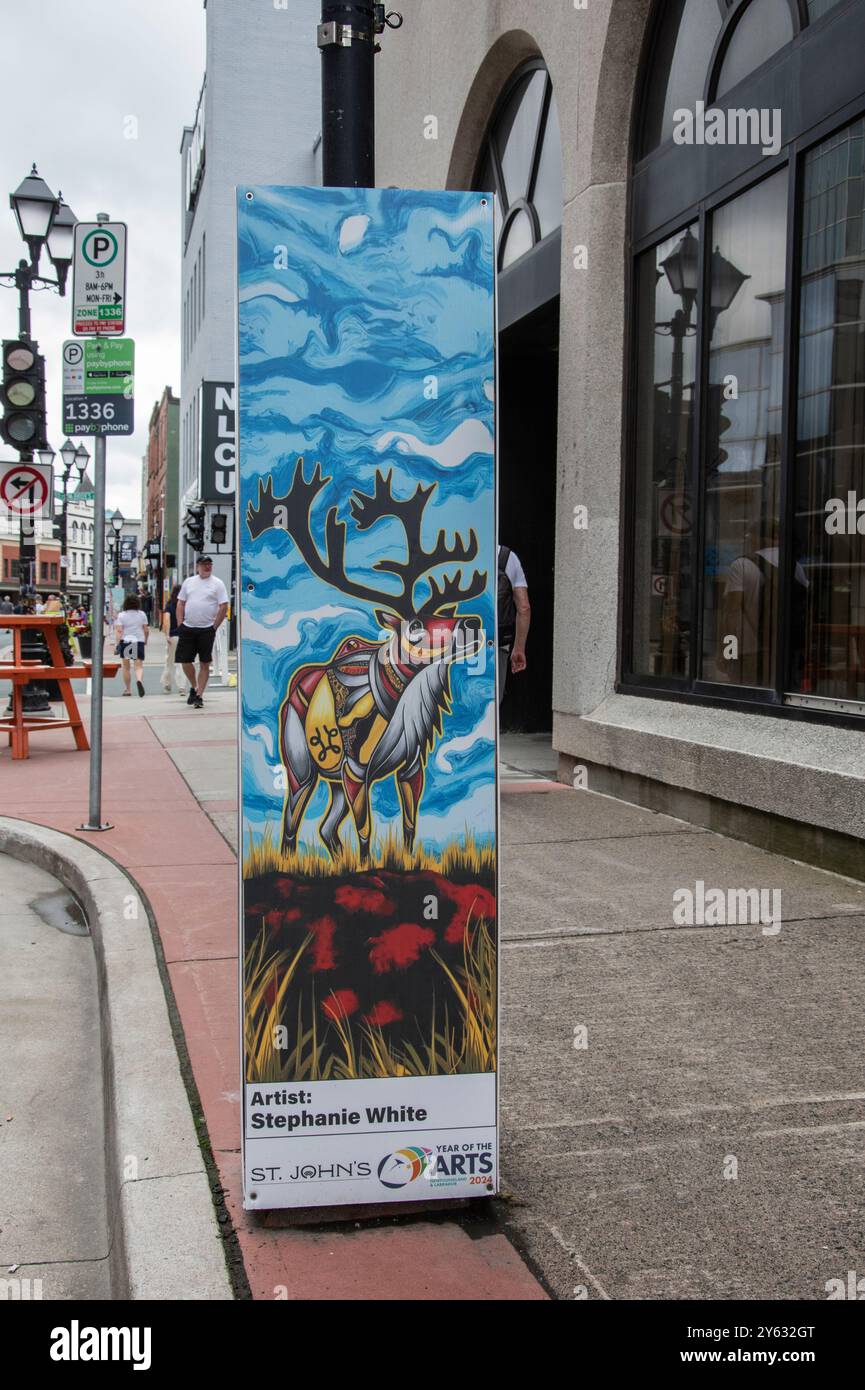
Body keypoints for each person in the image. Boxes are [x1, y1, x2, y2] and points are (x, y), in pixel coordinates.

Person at [175, 555, 228, 709]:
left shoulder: (217, 584)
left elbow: (223, 605)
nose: (207, 567)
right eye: (204, 564)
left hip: (207, 629)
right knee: (185, 661)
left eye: (209, 564)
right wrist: (180, 623)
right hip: (188, 627)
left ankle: (199, 695)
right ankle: (193, 685)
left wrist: (215, 626)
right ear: (198, 566)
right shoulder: (189, 582)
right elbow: (181, 603)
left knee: (205, 662)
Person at [497, 544, 531, 704]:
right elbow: (524, 608)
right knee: (493, 700)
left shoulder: (451, 552)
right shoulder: (506, 557)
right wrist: (518, 648)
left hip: (459, 641)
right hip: (496, 642)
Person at [115, 593, 149, 697]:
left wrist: (118, 644)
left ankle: (128, 689)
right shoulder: (142, 614)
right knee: (138, 666)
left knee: (126, 667)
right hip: (138, 641)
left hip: (126, 641)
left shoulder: (122, 615)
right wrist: (145, 640)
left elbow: (119, 631)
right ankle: (139, 680)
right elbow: (146, 630)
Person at [160, 582, 186, 695]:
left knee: (169, 662)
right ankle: (182, 687)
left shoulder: (169, 606)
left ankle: (167, 685)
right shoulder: (185, 605)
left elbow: (166, 621)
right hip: (184, 636)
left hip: (173, 637)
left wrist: (167, 635)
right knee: (182, 662)